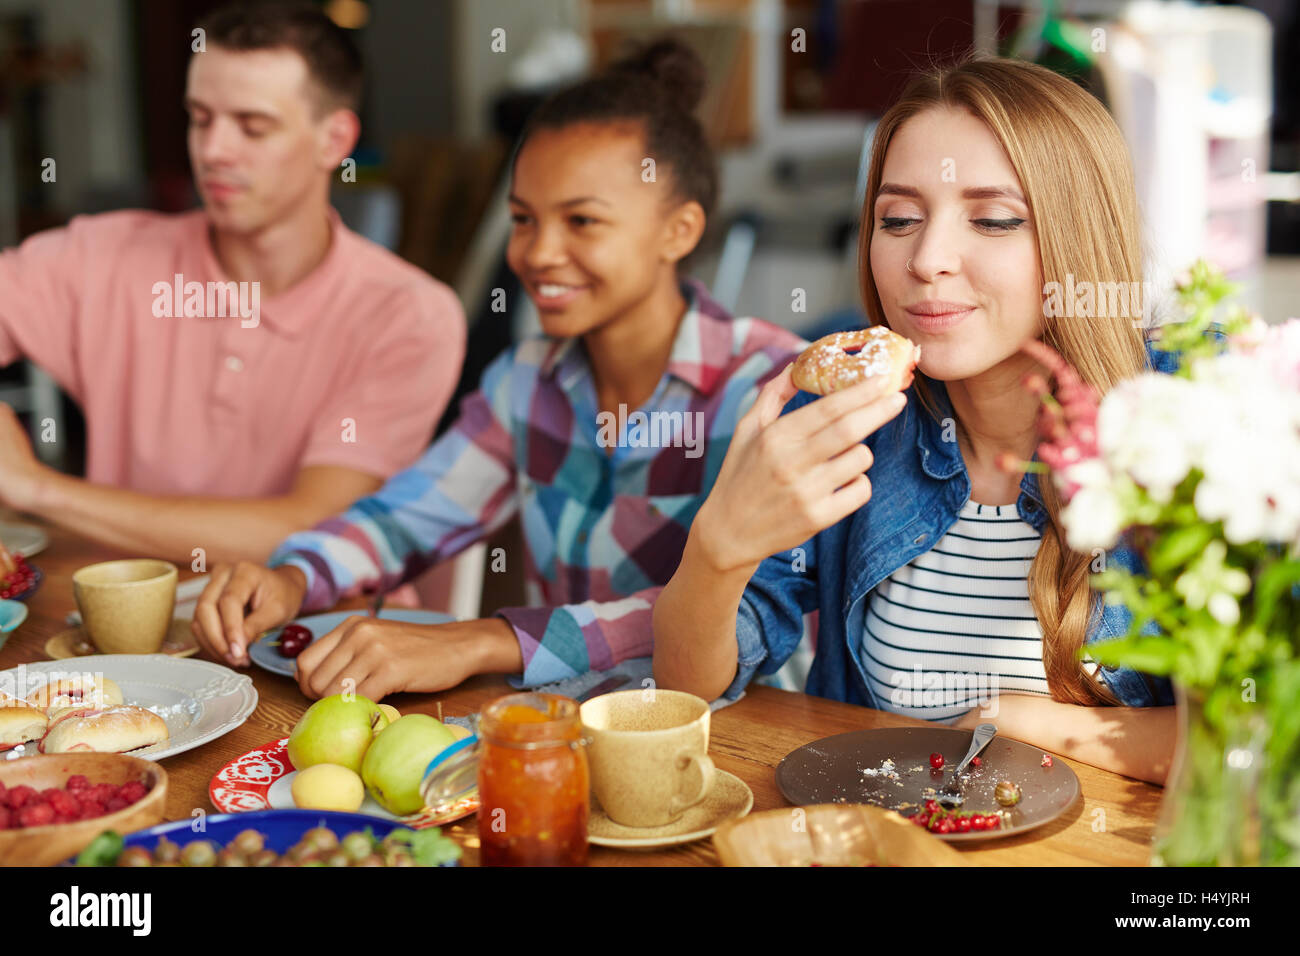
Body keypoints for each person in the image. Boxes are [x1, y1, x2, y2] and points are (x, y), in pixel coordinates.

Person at [191, 38, 805, 701]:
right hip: (563, 736)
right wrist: (294, 576)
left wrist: (485, 639)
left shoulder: (771, 389)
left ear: (678, 231)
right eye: (522, 219)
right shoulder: (526, 381)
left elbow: (729, 619)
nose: (539, 252)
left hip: (742, 741)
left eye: (581, 220)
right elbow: (405, 518)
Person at [653, 56, 1189, 786]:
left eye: (994, 219)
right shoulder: (846, 418)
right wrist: (717, 548)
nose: (927, 259)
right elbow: (692, 694)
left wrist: (1042, 725)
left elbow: (1262, 735)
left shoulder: (1196, 416)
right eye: (897, 219)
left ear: (1077, 237)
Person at [0, 1, 464, 565]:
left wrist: (36, 488)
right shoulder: (102, 255)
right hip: (121, 637)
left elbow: (308, 530)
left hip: (311, 641)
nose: (213, 151)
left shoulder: (410, 315)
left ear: (334, 140)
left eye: (252, 126)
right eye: (200, 118)